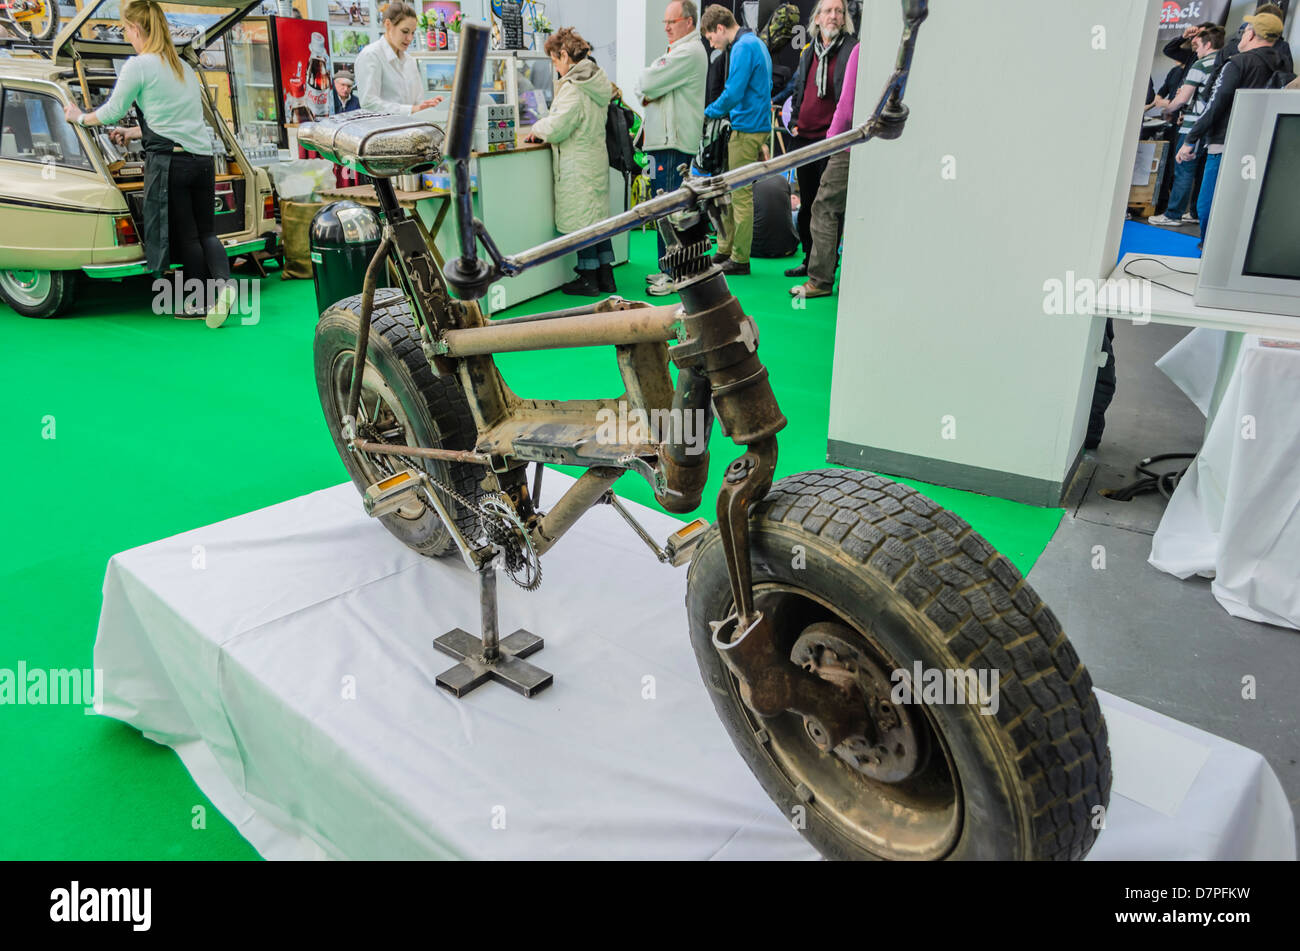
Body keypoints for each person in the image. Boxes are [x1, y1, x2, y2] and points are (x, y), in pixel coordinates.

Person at [63, 0, 235, 328]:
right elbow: (177, 118)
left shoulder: (138, 65)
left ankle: (199, 303)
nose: (126, 35)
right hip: (201, 159)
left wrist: (80, 117)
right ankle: (224, 287)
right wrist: (132, 132)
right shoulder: (182, 66)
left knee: (187, 237)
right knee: (208, 233)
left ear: (137, 29)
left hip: (172, 163)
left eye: (125, 29)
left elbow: (111, 111)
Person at [1180, 11, 1292, 240]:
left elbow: (1217, 103)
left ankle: (1209, 252)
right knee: (1244, 205)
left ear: (1250, 34)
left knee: (1208, 204)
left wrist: (1191, 139)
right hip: (1262, 145)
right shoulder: (1283, 66)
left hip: (1224, 144)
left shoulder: (1237, 63)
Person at [524, 27, 616, 297]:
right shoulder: (595, 81)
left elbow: (558, 127)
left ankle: (588, 278)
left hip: (577, 162)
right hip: (593, 157)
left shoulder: (575, 87)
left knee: (583, 221)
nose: (555, 66)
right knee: (596, 218)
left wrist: (538, 127)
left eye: (554, 60)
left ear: (564, 55)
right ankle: (605, 275)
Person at [637, 0, 709, 295]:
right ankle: (670, 269)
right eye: (664, 22)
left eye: (672, 21)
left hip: (672, 143)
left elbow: (646, 81)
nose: (666, 27)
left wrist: (650, 87)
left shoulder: (688, 52)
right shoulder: (678, 52)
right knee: (665, 207)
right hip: (666, 142)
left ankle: (673, 274)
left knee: (668, 210)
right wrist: (649, 88)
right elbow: (645, 87)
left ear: (689, 22)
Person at [785, 0, 857, 278]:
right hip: (805, 139)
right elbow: (799, 89)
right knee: (807, 202)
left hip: (832, 141)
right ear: (817, 18)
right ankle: (808, 258)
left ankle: (827, 264)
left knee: (828, 207)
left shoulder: (851, 50)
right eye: (828, 11)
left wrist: (835, 134)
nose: (834, 16)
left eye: (839, 11)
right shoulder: (808, 52)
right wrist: (793, 123)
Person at [701, 4, 773, 276]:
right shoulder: (755, 43)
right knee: (732, 193)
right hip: (753, 126)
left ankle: (739, 258)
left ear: (720, 28)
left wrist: (707, 113)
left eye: (710, 37)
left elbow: (732, 93)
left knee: (739, 196)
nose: (711, 43)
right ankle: (727, 248)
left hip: (746, 129)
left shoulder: (742, 48)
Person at [1149, 24, 1224, 226]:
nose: (1195, 50)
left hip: (1193, 126)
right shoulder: (1225, 64)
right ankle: (1195, 213)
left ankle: (1173, 214)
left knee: (1183, 170)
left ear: (1207, 44)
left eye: (1197, 44)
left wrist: (1167, 108)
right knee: (1200, 172)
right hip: (1212, 127)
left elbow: (1182, 98)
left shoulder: (1200, 65)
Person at [354, 2, 444, 115]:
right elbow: (369, 104)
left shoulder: (410, 61)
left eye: (412, 32)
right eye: (405, 32)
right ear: (388, 25)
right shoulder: (371, 55)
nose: (410, 38)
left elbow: (417, 102)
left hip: (410, 129)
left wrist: (425, 106)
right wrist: (411, 109)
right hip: (384, 130)